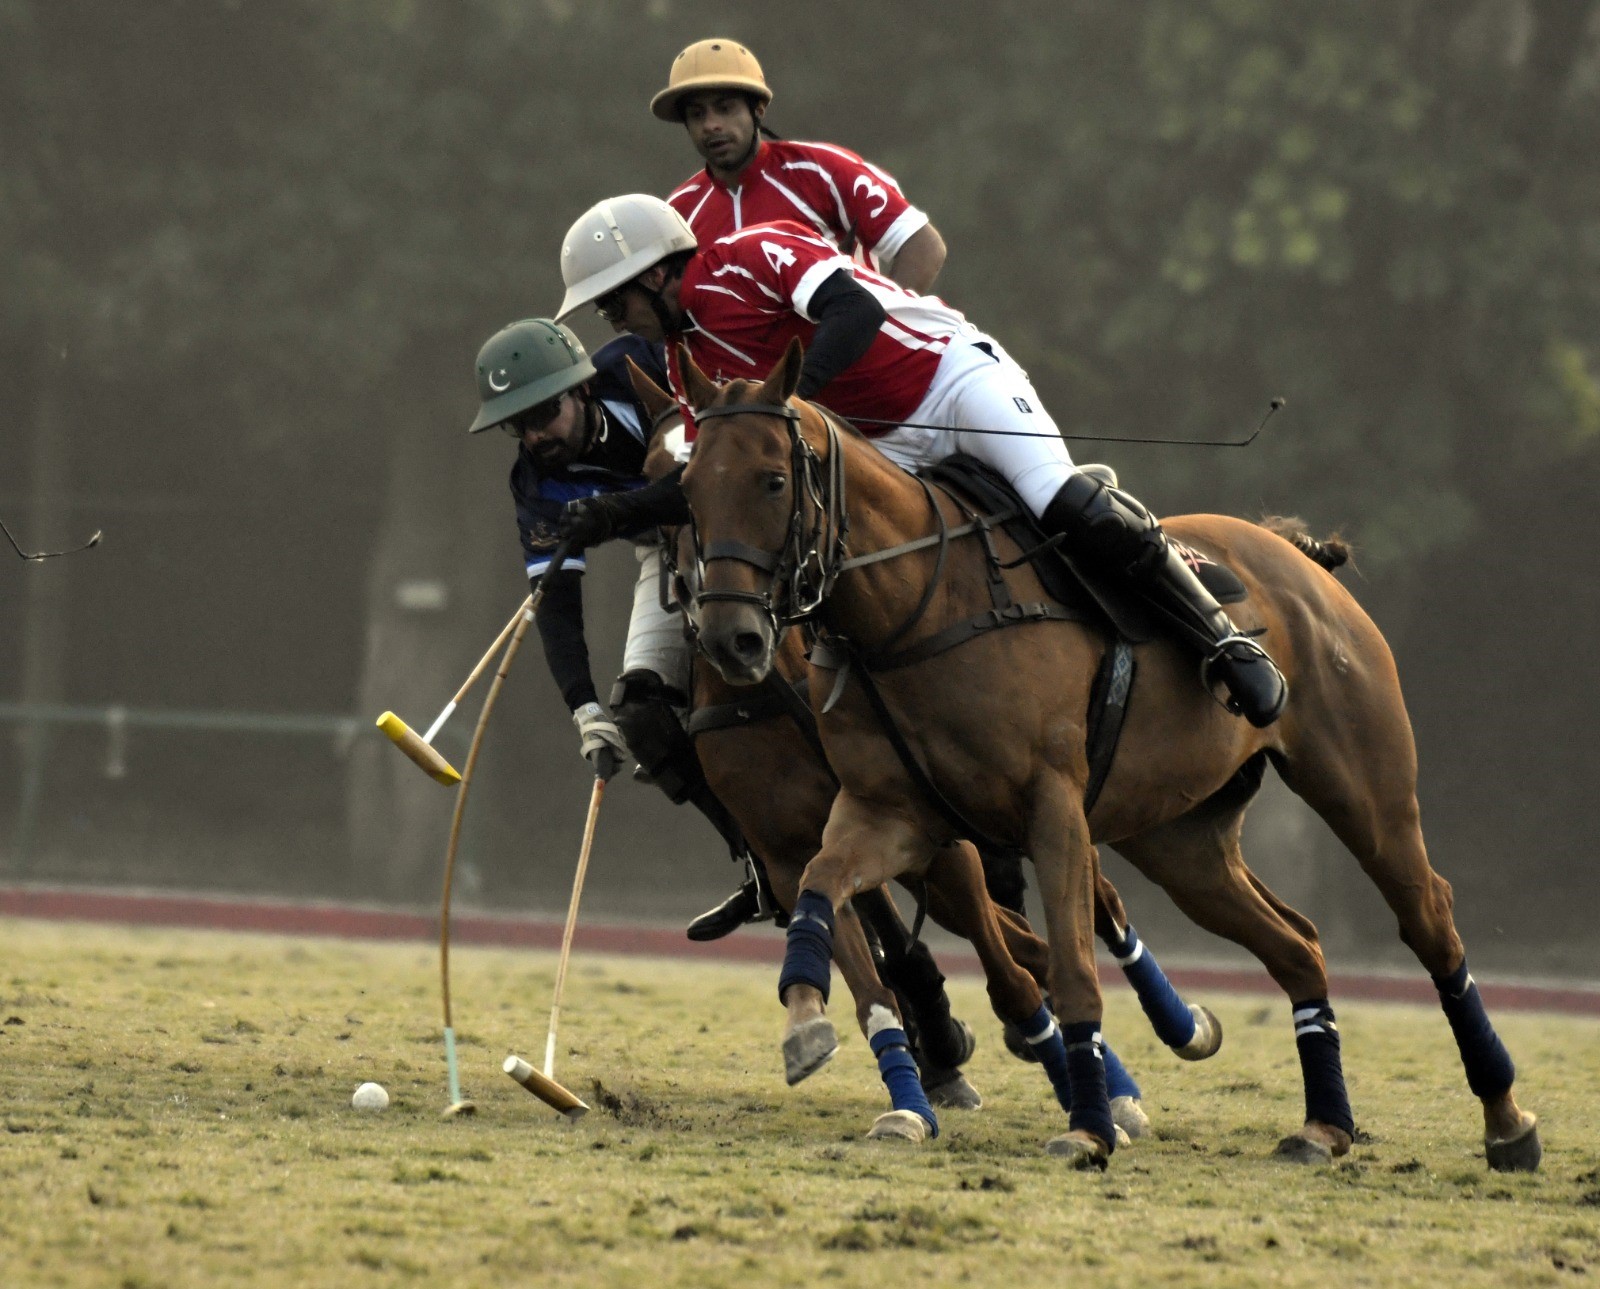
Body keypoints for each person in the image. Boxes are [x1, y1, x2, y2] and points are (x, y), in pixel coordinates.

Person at [551, 196, 1288, 727]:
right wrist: (613, 513)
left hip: (950, 379)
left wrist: (789, 406)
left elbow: (855, 312)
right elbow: (714, 482)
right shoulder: (685, 367)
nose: (610, 320)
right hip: (874, 442)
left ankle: (1221, 642)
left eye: (612, 302)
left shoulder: (751, 252)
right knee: (842, 569)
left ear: (653, 273)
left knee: (1059, 500)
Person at [466, 318, 778, 937]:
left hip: (747, 530)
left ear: (581, 390)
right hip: (665, 553)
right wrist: (584, 708)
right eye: (516, 424)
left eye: (543, 412)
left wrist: (612, 512)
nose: (533, 436)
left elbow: (701, 486)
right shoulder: (535, 482)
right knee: (639, 713)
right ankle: (761, 862)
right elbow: (554, 599)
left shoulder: (641, 367)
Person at [654, 38, 948, 293]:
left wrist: (877, 334)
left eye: (725, 108)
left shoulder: (822, 171)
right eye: (696, 115)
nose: (711, 125)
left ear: (758, 110)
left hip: (850, 353)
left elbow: (924, 249)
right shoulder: (678, 213)